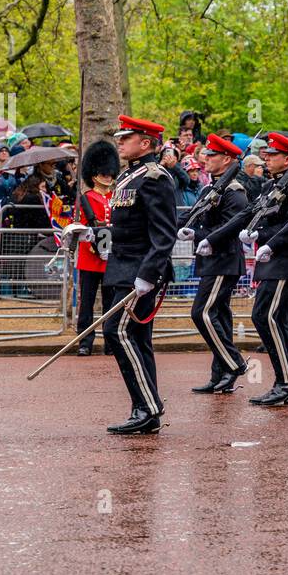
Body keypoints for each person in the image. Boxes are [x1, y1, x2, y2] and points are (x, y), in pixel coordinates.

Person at [102, 116, 178, 435]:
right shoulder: (129, 175)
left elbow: (164, 235)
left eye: (126, 137)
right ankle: (144, 408)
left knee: (116, 332)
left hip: (140, 272)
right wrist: (92, 233)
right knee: (137, 339)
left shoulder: (155, 177)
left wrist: (149, 275)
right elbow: (126, 226)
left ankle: (147, 406)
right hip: (122, 267)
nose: (120, 142)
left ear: (145, 142)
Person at [232, 133, 288, 405]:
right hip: (271, 261)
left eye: (274, 155)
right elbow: (254, 213)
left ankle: (287, 380)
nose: (267, 158)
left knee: (266, 317)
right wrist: (248, 231)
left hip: (285, 261)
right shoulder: (272, 185)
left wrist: (265, 237)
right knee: (275, 320)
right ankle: (286, 379)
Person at [181, 134, 250, 394]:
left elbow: (233, 226)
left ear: (227, 159)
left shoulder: (235, 190)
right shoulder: (212, 188)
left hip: (224, 260)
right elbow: (193, 216)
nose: (206, 159)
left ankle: (234, 363)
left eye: (212, 155)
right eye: (206, 154)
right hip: (210, 260)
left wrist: (198, 235)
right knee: (219, 315)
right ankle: (220, 375)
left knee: (202, 312)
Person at [73, 139, 118, 356]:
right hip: (90, 256)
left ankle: (110, 340)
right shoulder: (86, 199)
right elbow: (81, 226)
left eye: (110, 173)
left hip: (110, 256)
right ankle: (85, 340)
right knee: (87, 302)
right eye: (104, 173)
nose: (108, 176)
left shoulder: (116, 198)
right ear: (94, 175)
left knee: (110, 302)